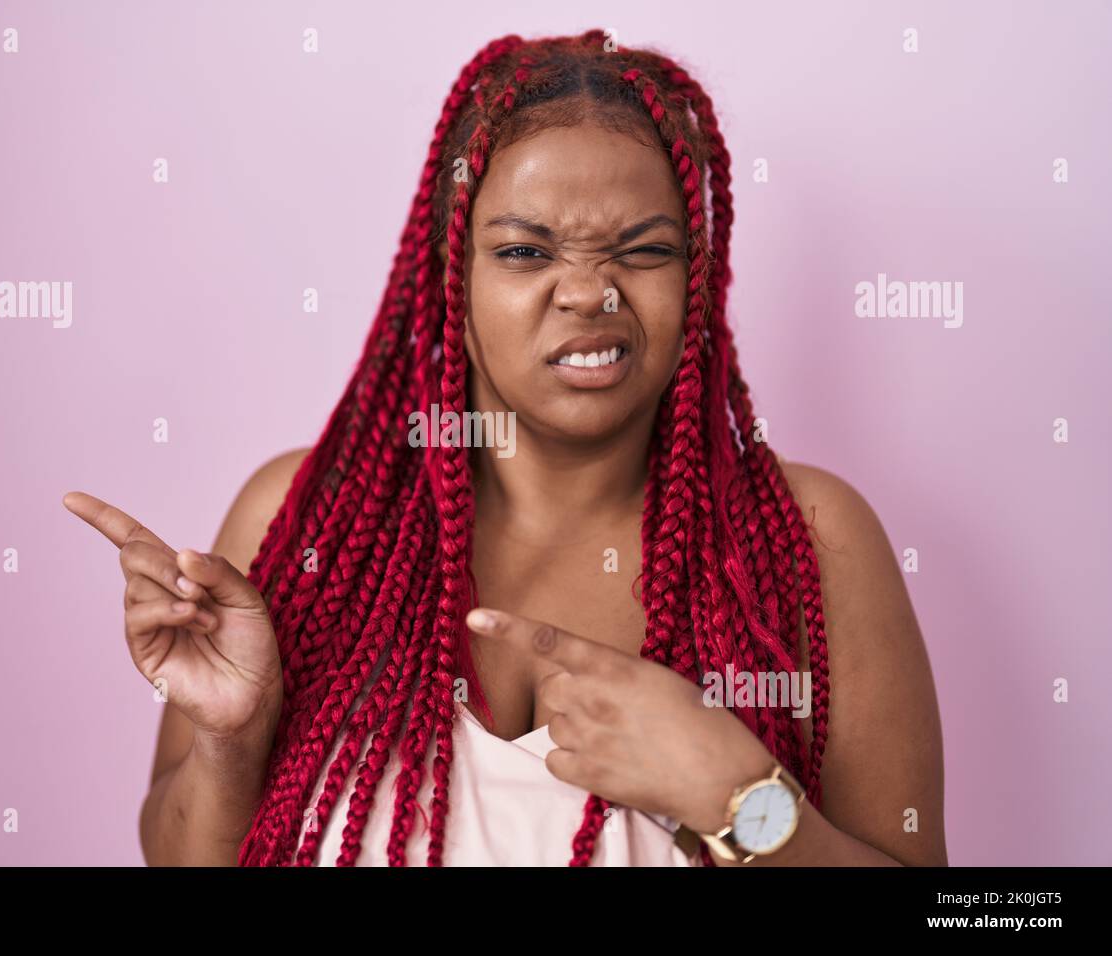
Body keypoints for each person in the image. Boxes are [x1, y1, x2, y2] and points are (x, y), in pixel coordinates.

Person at [64, 29, 946, 867]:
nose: (590, 293)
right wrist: (233, 737)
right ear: (454, 270)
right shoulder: (306, 516)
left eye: (644, 251)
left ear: (699, 272)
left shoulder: (812, 543)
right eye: (526, 251)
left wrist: (731, 790)